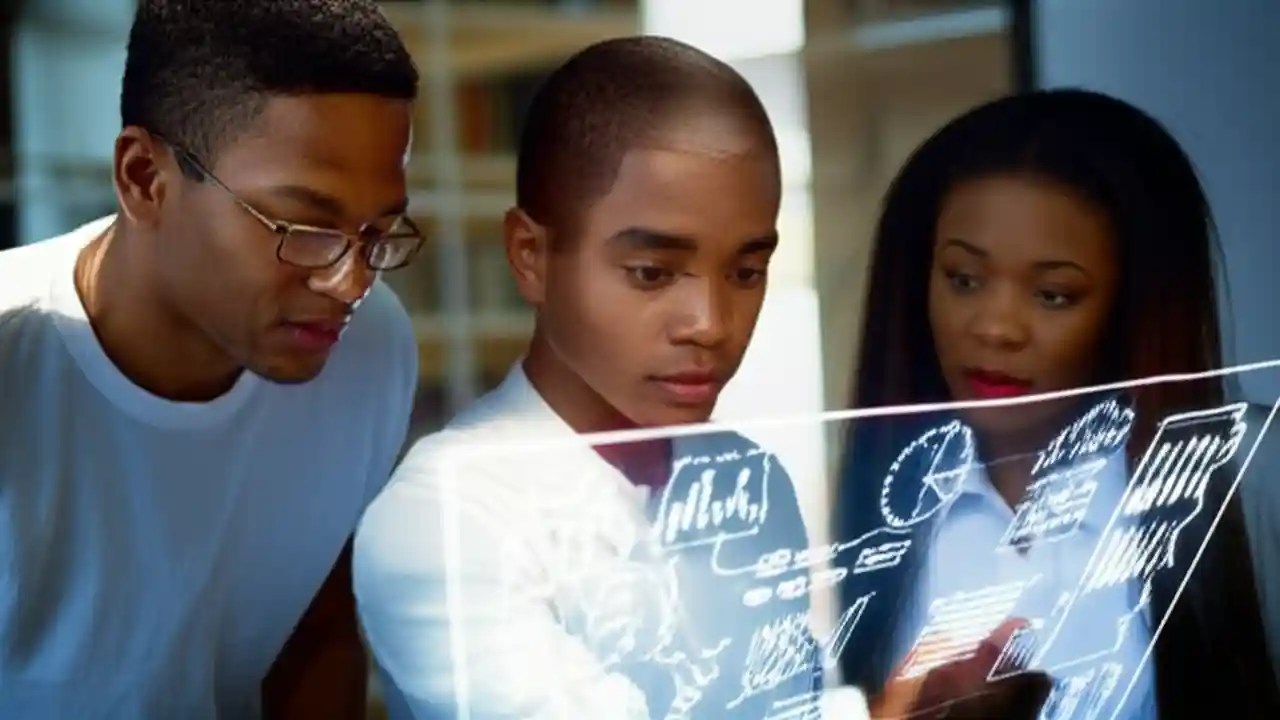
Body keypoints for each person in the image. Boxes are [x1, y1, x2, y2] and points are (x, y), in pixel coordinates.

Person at [354, 36, 854, 720]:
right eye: (651, 273)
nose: (710, 323)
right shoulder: (445, 515)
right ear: (530, 256)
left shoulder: (749, 479)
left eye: (746, 272)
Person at [0, 1, 423, 718]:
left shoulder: (368, 346)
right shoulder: (15, 357)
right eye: (304, 225)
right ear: (143, 177)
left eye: (378, 230)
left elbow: (313, 630)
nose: (350, 281)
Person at [832, 88, 1280, 719]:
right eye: (963, 279)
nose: (995, 328)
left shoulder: (1247, 478)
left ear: (1132, 304)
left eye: (1053, 295)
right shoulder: (889, 510)